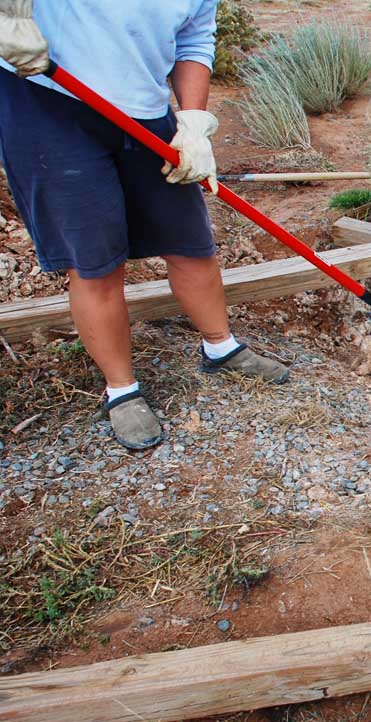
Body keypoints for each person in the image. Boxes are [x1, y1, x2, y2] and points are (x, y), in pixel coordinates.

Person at [0, 1, 288, 451]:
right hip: (49, 99)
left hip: (145, 109)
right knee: (94, 259)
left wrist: (192, 122)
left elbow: (193, 40)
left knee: (189, 240)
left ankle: (220, 347)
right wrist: (9, 18)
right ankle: (121, 390)